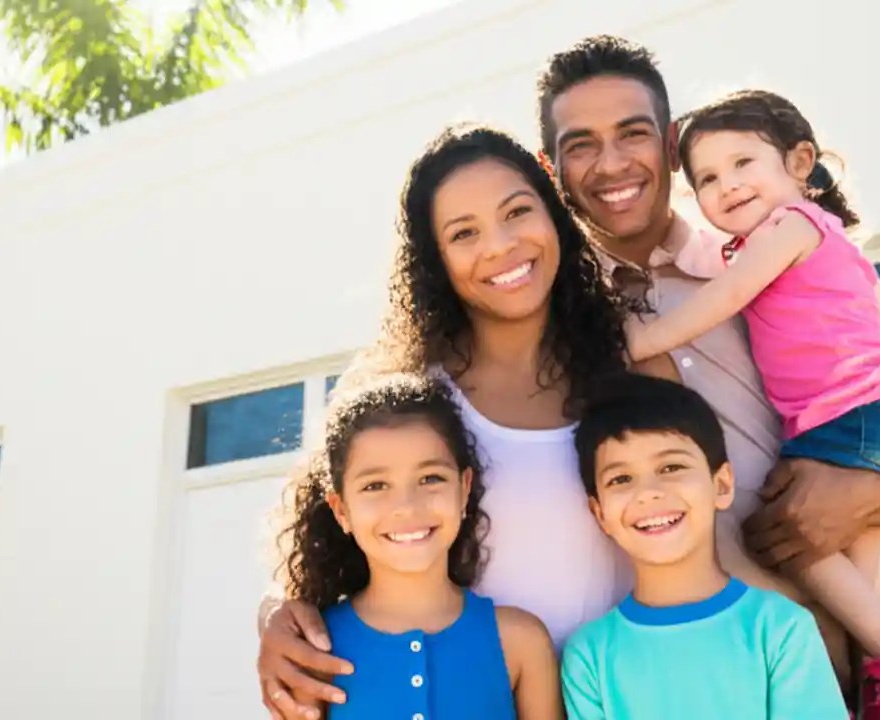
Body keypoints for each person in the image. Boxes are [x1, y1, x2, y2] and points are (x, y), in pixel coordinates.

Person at [537, 35, 880, 716]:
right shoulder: (555, 322)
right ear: (552, 165)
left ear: (672, 141)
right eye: (581, 144)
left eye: (633, 133)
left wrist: (853, 501)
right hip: (708, 688)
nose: (613, 162)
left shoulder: (790, 254)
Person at [257, 123, 632, 720]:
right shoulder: (405, 390)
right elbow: (324, 529)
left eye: (517, 212)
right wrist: (276, 616)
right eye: (463, 233)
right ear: (435, 259)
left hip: (625, 699)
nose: (500, 245)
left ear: (555, 212)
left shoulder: (627, 367)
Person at [278, 373, 562, 719]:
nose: (407, 507)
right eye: (375, 486)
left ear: (464, 488)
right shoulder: (315, 652)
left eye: (430, 479)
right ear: (341, 511)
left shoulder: (521, 642)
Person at [562, 374, 846, 719]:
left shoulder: (780, 628)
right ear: (599, 513)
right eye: (621, 479)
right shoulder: (590, 656)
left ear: (722, 485)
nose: (648, 492)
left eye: (671, 467)